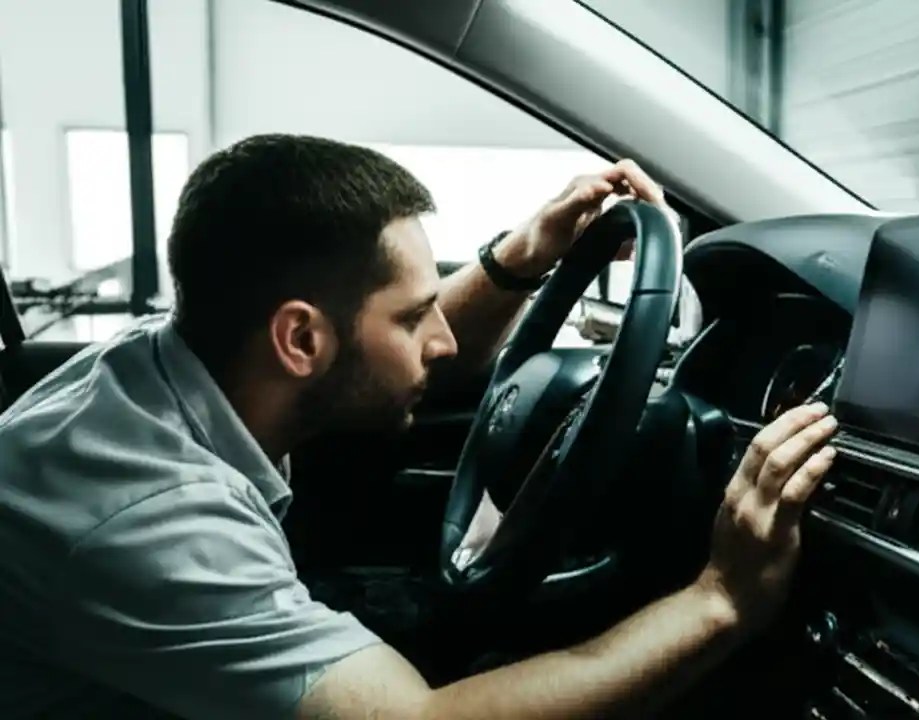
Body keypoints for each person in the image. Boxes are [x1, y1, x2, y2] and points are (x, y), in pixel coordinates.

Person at [0, 134, 838, 719]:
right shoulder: (151, 513)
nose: (443, 343)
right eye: (414, 317)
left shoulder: (181, 365)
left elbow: (391, 359)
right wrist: (723, 598)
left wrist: (523, 257)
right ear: (300, 339)